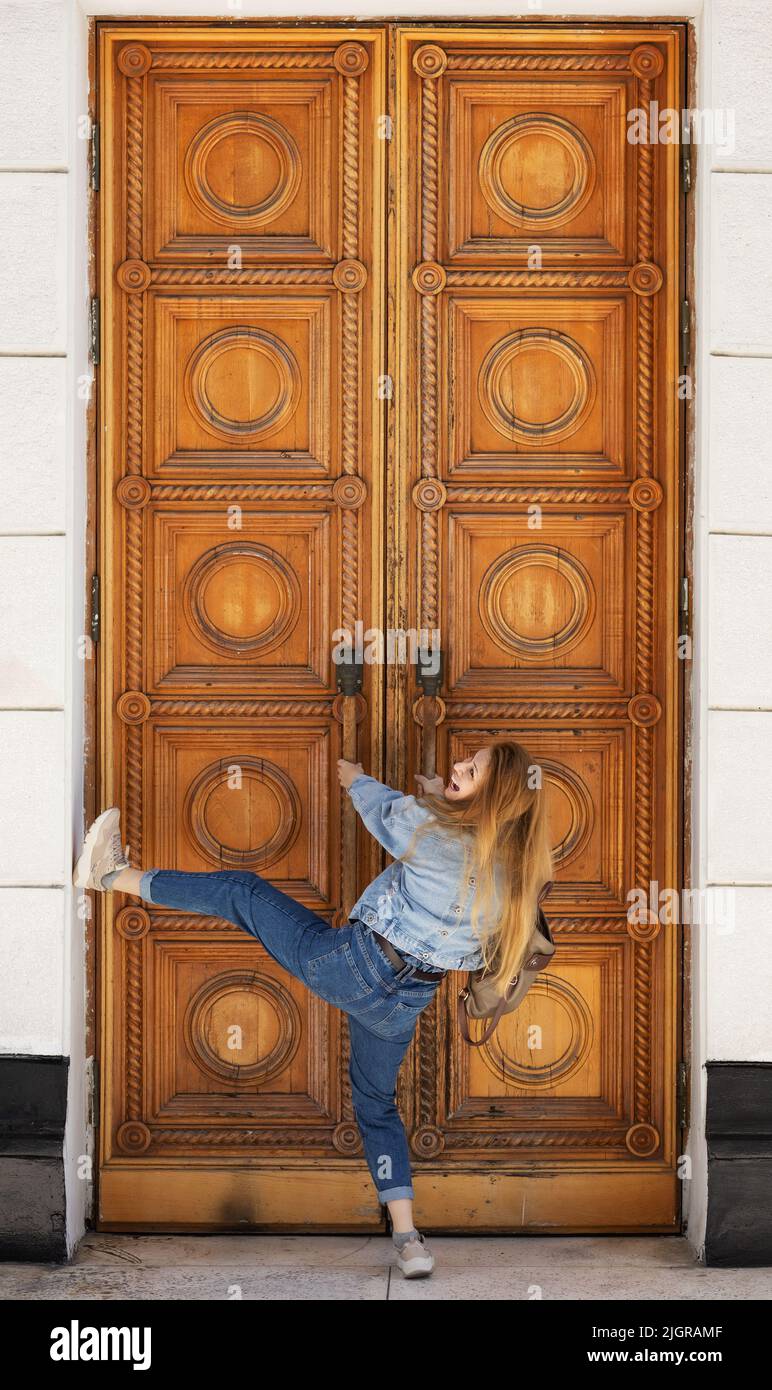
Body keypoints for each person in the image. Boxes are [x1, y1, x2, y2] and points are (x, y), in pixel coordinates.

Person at [73, 737, 552, 1279]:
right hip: (405, 1003)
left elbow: (381, 809)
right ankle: (409, 1240)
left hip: (348, 966)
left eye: (473, 769)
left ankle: (110, 875)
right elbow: (475, 928)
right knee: (376, 1105)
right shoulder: (519, 877)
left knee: (244, 893)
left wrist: (353, 776)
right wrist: (444, 799)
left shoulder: (429, 827)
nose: (459, 767)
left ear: (498, 794)